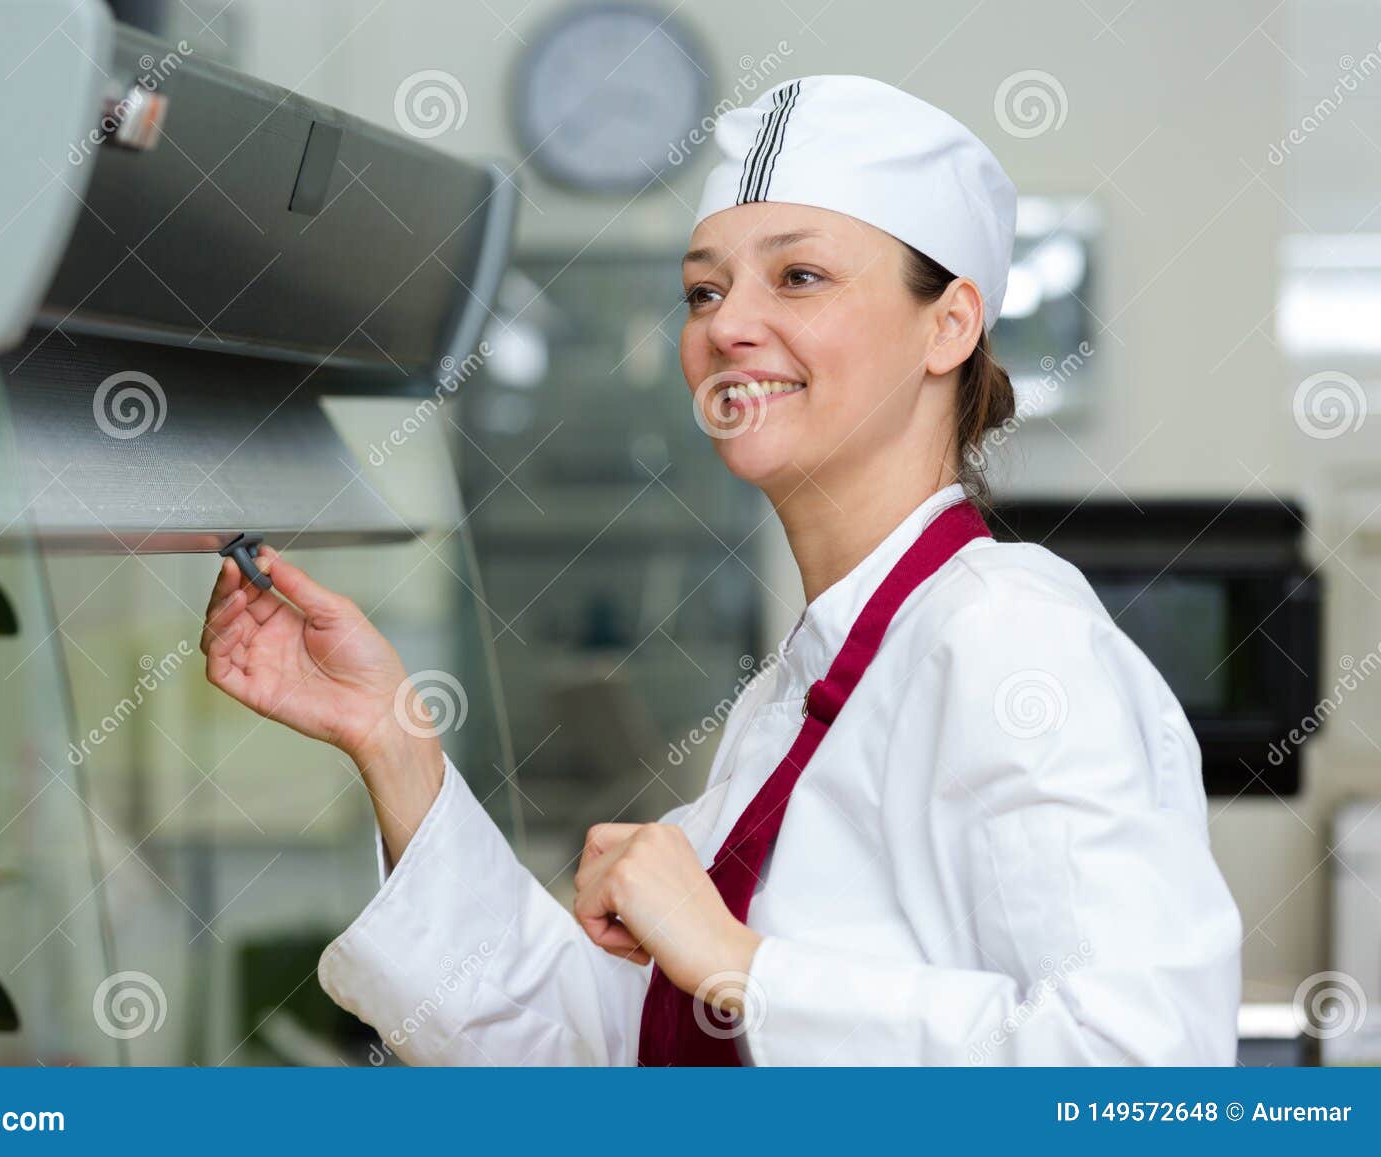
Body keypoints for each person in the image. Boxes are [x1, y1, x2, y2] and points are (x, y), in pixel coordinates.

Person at [200, 75, 1242, 1065]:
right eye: (704, 288)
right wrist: (393, 741)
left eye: (799, 275)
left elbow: (1141, 1072)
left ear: (949, 323)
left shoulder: (1010, 636)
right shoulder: (794, 696)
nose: (727, 325)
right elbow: (603, 1049)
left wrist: (740, 964)